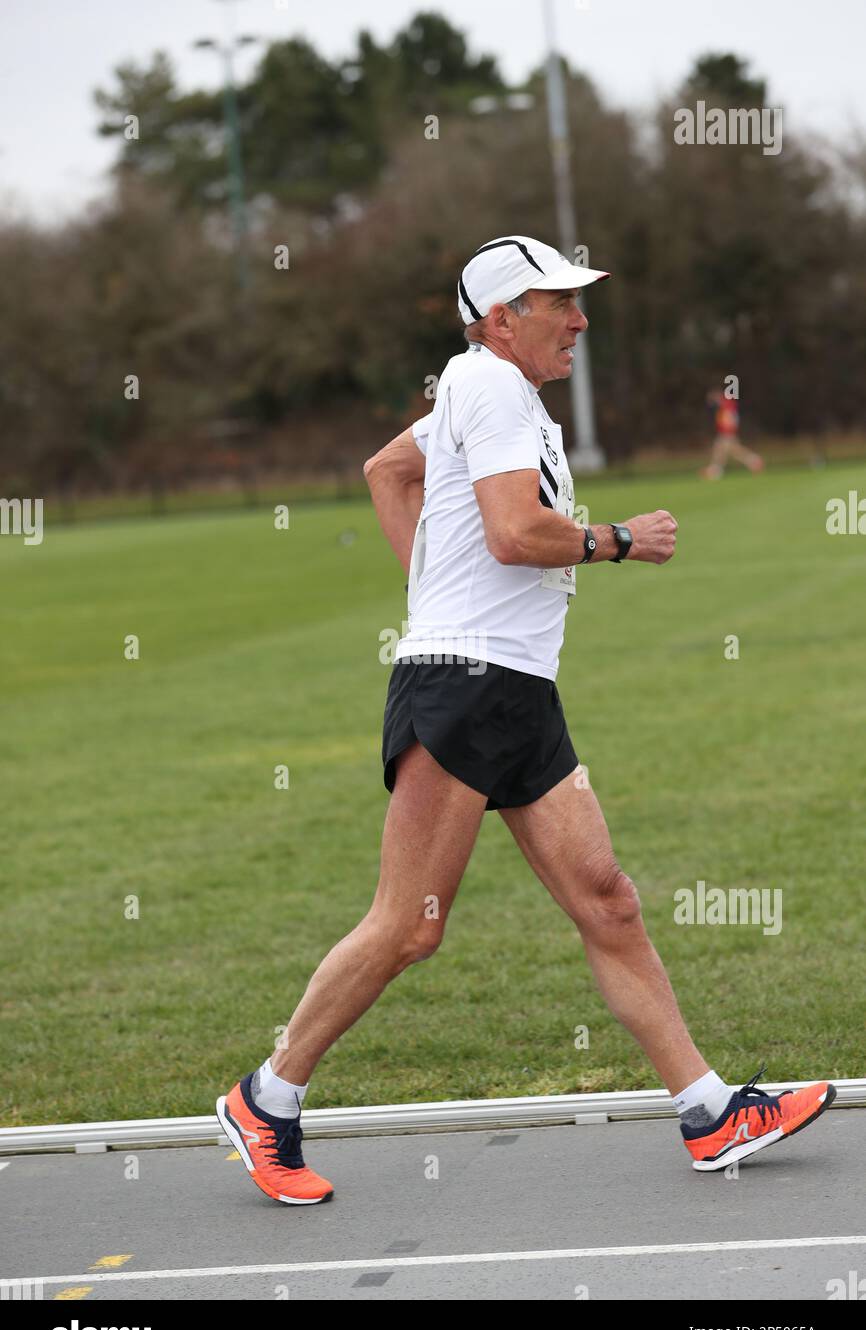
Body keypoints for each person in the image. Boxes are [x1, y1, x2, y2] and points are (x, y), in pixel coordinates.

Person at [216, 236, 833, 1204]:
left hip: (511, 686)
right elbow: (513, 535)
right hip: (463, 685)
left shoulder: (488, 394)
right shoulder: (489, 386)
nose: (580, 319)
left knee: (606, 898)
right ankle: (265, 1095)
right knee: (410, 926)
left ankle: (710, 1113)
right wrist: (618, 540)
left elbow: (385, 470)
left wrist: (432, 594)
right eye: (559, 303)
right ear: (501, 319)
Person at [701, 388, 764, 479]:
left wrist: (728, 430)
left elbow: (730, 419)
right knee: (734, 451)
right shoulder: (726, 405)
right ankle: (754, 461)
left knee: (720, 449)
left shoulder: (726, 405)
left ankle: (715, 471)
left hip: (726, 432)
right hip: (726, 432)